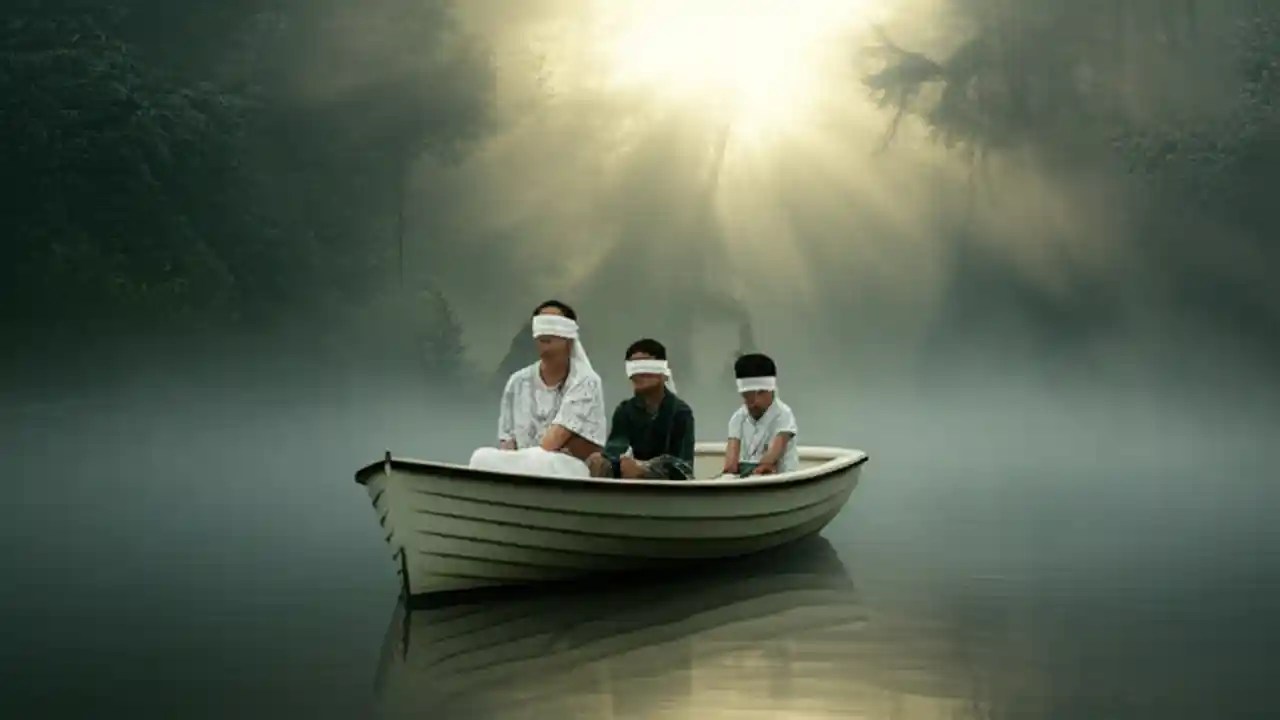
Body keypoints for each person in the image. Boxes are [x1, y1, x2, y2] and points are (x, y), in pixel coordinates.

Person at [468, 300, 607, 478]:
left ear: (569, 335)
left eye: (553, 324)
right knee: (481, 457)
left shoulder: (585, 381)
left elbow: (551, 443)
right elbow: (507, 441)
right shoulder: (517, 382)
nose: (546, 331)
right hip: (523, 465)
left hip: (565, 466)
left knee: (545, 460)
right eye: (541, 324)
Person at [586, 338, 696, 480]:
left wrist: (644, 469)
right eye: (634, 367)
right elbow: (615, 449)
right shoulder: (625, 410)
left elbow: (683, 466)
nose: (639, 373)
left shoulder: (680, 412)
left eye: (646, 366)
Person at [721, 352, 799, 477]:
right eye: (748, 396)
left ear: (771, 390)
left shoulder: (784, 415)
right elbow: (731, 463)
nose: (755, 402)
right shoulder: (738, 418)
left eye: (760, 393)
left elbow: (769, 460)